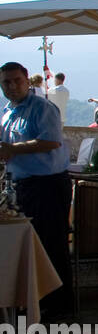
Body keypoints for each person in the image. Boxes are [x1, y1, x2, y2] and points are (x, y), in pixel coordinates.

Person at [0, 62, 73, 317]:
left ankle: (59, 305)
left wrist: (13, 150)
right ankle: (31, 300)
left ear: (27, 82)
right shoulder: (9, 111)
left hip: (48, 186)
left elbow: (50, 141)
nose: (11, 86)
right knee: (28, 246)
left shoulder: (42, 108)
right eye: (5, 82)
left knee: (52, 244)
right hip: (23, 185)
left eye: (16, 81)